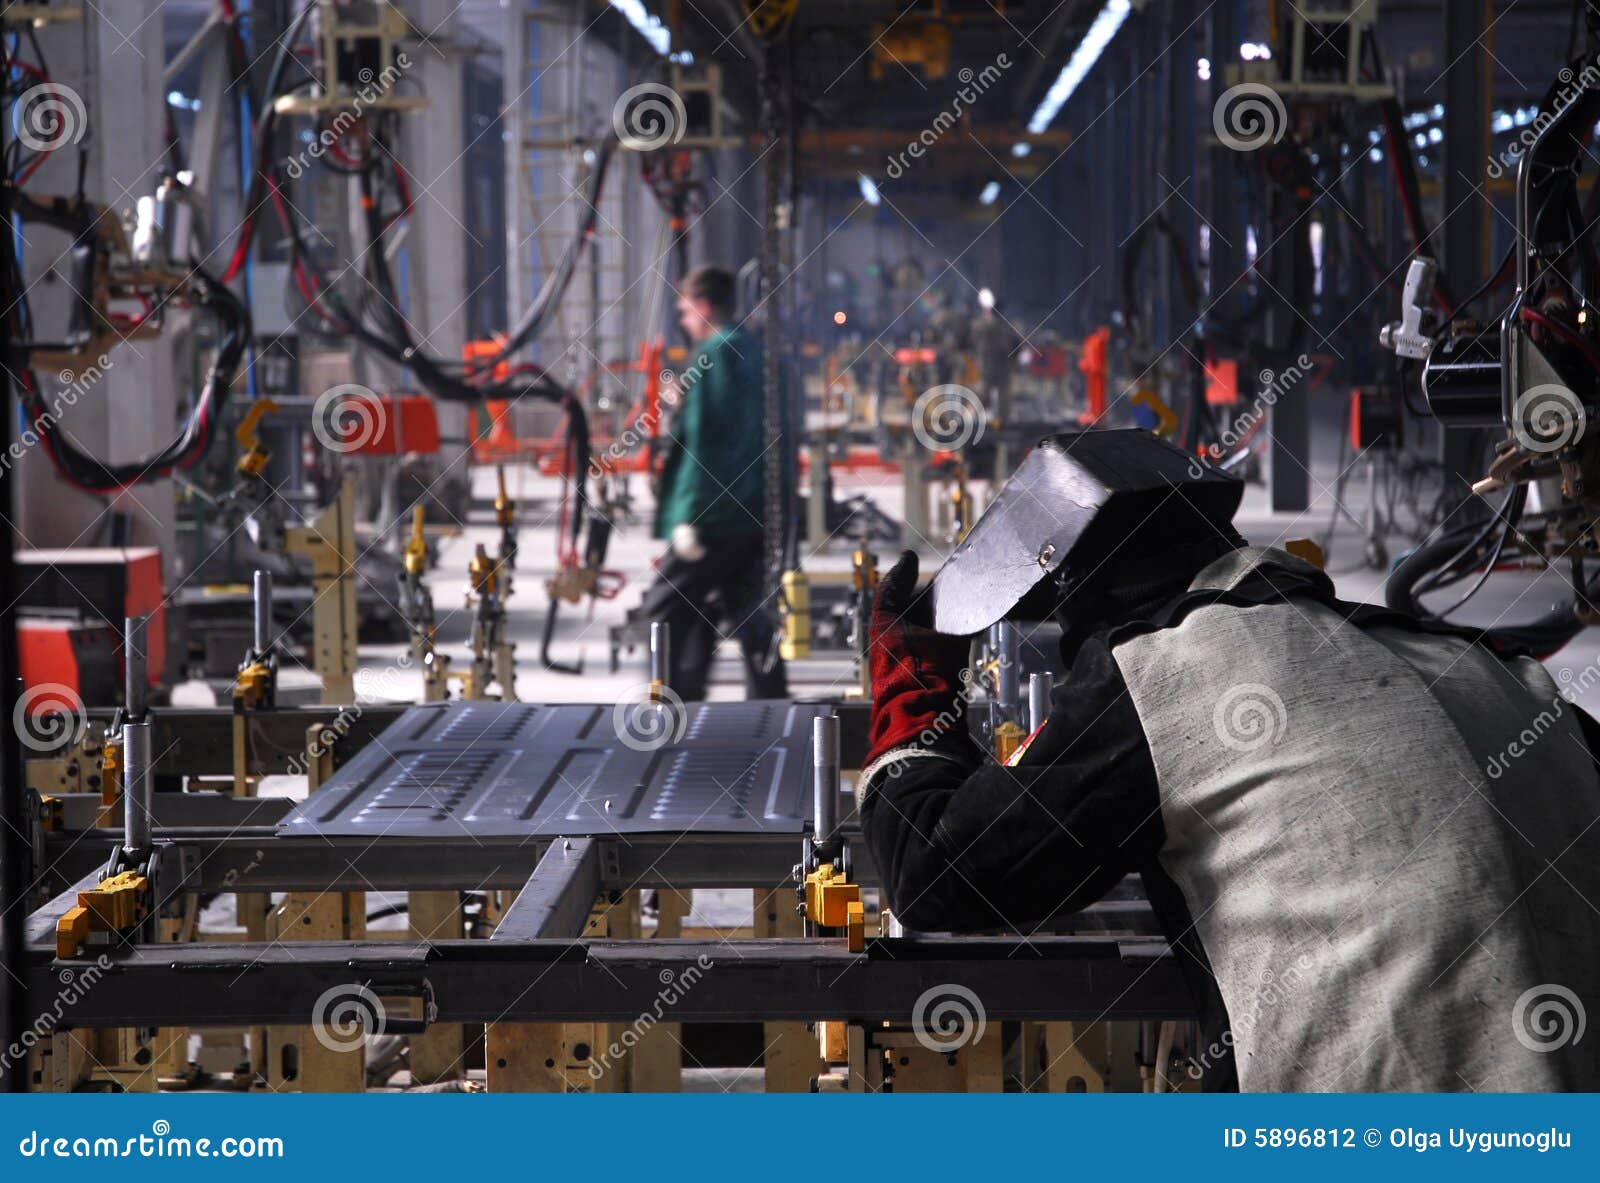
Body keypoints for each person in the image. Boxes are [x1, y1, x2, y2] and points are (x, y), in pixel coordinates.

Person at [858, 428, 1600, 1092]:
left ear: (1082, 592)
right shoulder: (1497, 671)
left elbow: (933, 868)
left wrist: (911, 690)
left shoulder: (1165, 667)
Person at [638, 265, 788, 701]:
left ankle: (668, 707)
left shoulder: (718, 354)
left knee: (663, 609)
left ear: (703, 307)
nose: (684, 323)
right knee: (750, 618)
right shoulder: (748, 350)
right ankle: (774, 714)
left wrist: (690, 517)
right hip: (752, 513)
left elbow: (711, 442)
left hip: (718, 518)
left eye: (685, 312)